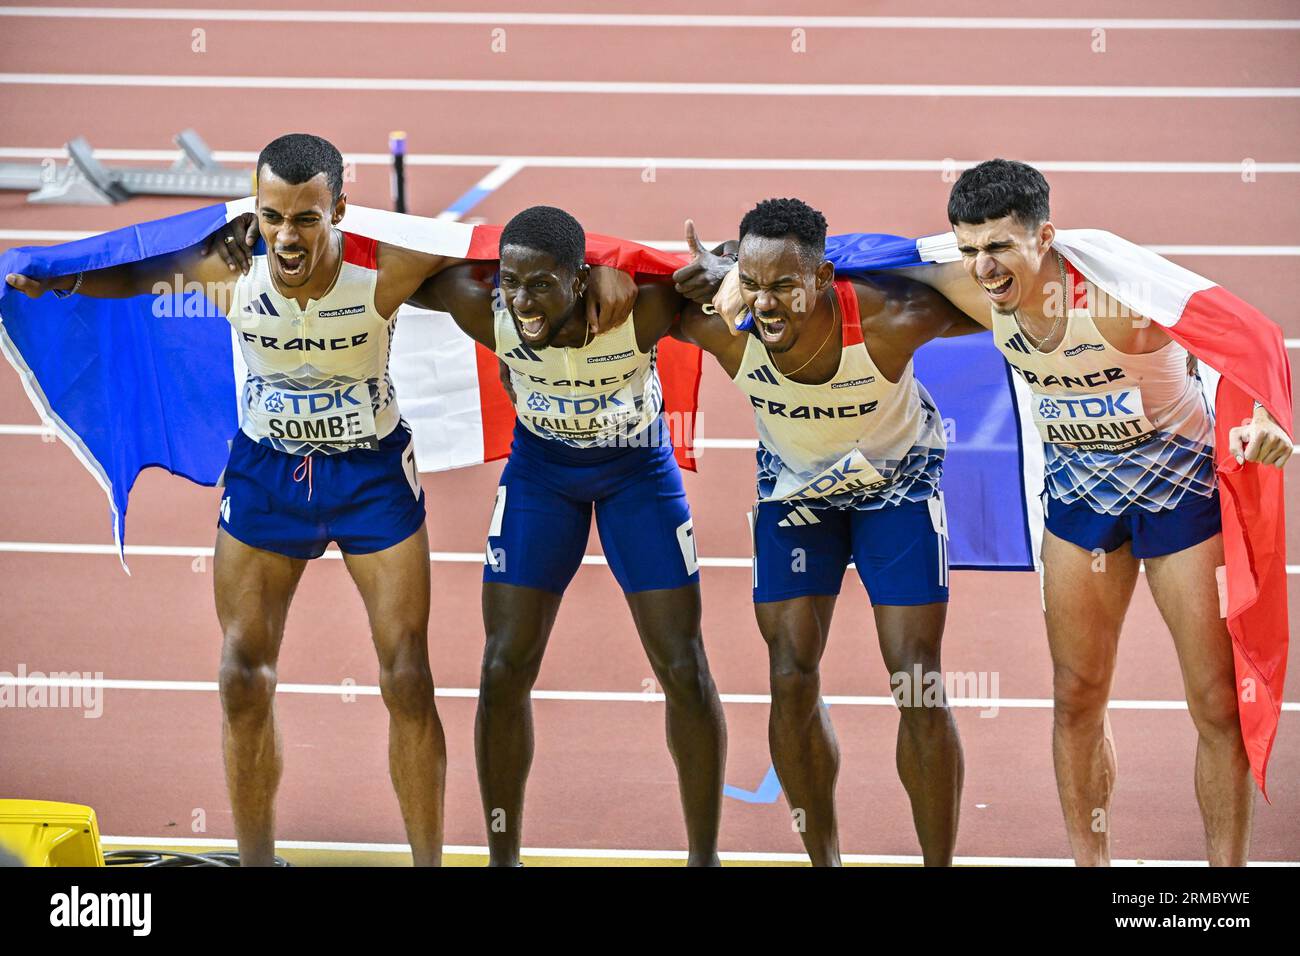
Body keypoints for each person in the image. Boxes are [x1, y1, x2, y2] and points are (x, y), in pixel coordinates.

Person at [5, 134, 637, 867]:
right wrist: (57, 278)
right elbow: (140, 270)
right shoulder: (225, 266)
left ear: (339, 207)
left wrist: (596, 273)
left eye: (306, 218)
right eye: (272, 216)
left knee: (406, 671)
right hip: (267, 474)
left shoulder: (388, 270)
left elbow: (498, 269)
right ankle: (256, 862)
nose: (286, 236)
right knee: (242, 673)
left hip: (368, 477)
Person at [900, 158, 1293, 865]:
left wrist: (1264, 416)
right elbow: (863, 264)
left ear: (1045, 236)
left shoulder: (1122, 299)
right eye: (968, 248)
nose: (983, 267)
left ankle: (1226, 887)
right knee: (1076, 697)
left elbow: (1249, 337)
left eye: (999, 246)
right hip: (1081, 504)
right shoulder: (974, 287)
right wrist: (739, 271)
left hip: (1180, 500)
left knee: (1213, 705)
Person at [409, 205, 731, 865]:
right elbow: (394, 267)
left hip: (637, 473)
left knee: (683, 667)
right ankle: (504, 859)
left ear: (579, 278)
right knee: (502, 668)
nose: (523, 302)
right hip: (541, 476)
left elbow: (721, 279)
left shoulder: (642, 309)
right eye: (511, 282)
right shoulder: (485, 309)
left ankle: (705, 859)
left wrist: (653, 266)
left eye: (541, 285)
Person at [671, 198, 983, 865]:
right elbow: (607, 298)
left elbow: (995, 304)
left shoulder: (891, 318)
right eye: (752, 285)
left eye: (786, 286)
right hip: (796, 496)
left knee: (916, 679)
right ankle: (824, 863)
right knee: (790, 674)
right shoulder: (724, 324)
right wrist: (704, 272)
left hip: (895, 490)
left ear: (822, 279)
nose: (768, 305)